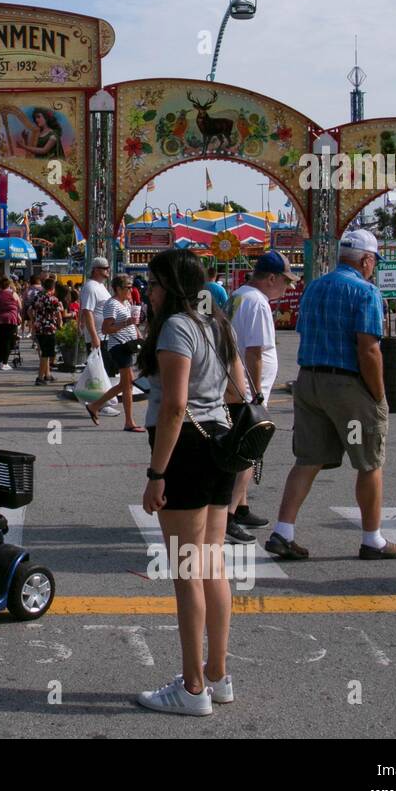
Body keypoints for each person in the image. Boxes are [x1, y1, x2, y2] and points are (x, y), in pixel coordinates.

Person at [136, 248, 248, 717]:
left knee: (186, 573)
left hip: (187, 450)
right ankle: (217, 674)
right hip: (221, 444)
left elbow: (175, 407)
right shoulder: (217, 323)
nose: (148, 290)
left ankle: (193, 686)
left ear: (173, 285)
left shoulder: (178, 327)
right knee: (211, 566)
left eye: (154, 282)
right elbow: (238, 390)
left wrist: (156, 474)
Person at [267, 228, 396, 562]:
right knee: (369, 462)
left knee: (308, 459)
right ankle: (372, 539)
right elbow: (369, 349)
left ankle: (283, 532)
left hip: (309, 381)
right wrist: (378, 394)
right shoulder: (366, 292)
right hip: (347, 385)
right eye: (373, 262)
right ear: (367, 260)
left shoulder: (314, 286)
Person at [225, 252, 297, 543]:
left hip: (236, 387)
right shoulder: (257, 303)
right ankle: (228, 515)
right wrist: (255, 395)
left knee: (243, 448)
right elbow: (255, 351)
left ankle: (241, 507)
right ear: (271, 278)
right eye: (285, 281)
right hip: (248, 391)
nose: (287, 288)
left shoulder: (239, 296)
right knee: (248, 452)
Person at [86, 274, 144, 429]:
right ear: (118, 288)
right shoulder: (112, 304)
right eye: (128, 287)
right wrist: (126, 323)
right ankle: (129, 422)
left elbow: (129, 323)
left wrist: (136, 331)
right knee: (127, 385)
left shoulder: (125, 303)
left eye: (132, 286)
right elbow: (106, 329)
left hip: (126, 345)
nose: (131, 290)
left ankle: (95, 406)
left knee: (126, 383)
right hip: (118, 346)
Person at [78, 256, 115, 415]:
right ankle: (100, 403)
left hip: (105, 336)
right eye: (104, 268)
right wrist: (94, 336)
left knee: (104, 370)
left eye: (107, 268)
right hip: (99, 336)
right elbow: (87, 311)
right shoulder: (91, 287)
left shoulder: (100, 286)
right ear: (96, 270)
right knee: (100, 371)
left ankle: (101, 402)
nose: (107, 270)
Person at [28, 272, 63, 386]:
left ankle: (47, 374)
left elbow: (29, 310)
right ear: (52, 288)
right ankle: (40, 377)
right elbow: (58, 314)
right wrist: (60, 324)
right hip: (49, 328)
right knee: (46, 354)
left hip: (39, 327)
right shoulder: (53, 299)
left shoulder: (38, 297)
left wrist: (34, 320)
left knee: (44, 351)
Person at [0, 277, 22, 370]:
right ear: (9, 285)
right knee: (8, 341)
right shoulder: (13, 293)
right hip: (10, 320)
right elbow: (20, 306)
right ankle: (5, 363)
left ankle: (0, 361)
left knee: (0, 342)